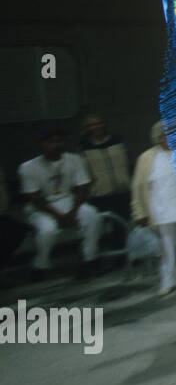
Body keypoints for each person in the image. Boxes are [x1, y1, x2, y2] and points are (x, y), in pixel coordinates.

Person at [131, 121, 176, 295]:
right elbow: (137, 187)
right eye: (165, 134)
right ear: (158, 138)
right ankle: (168, 281)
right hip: (160, 210)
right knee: (166, 249)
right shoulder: (147, 158)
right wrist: (139, 212)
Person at [18, 125, 100, 275]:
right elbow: (36, 199)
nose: (55, 145)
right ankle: (40, 265)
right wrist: (59, 216)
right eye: (50, 142)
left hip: (68, 200)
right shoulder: (27, 167)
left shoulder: (75, 159)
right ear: (41, 144)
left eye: (59, 141)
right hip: (41, 208)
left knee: (92, 215)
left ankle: (90, 259)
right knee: (48, 230)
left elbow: (82, 188)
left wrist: (73, 212)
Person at [79, 113, 132, 245]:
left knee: (123, 226)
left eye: (99, 123)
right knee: (101, 229)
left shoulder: (118, 140)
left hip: (123, 192)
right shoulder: (83, 147)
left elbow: (126, 163)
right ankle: (106, 258)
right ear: (87, 128)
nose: (97, 127)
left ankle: (124, 257)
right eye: (92, 125)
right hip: (100, 195)